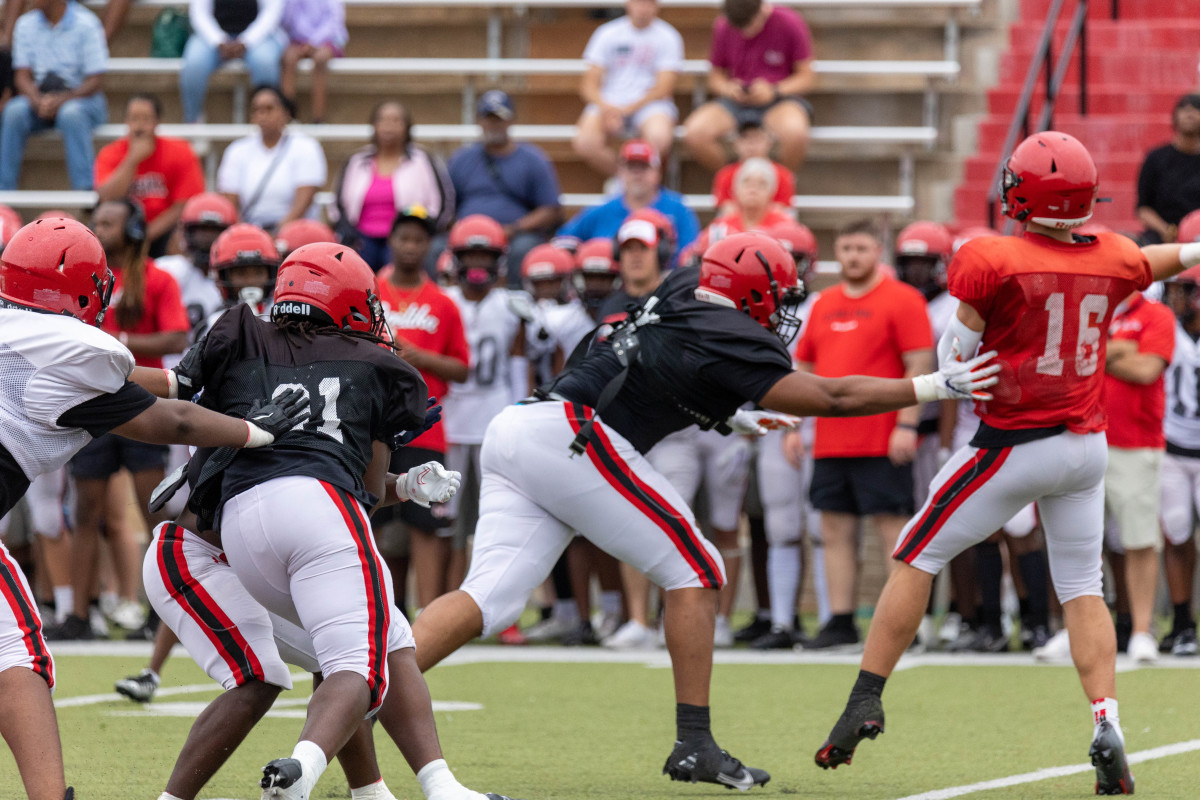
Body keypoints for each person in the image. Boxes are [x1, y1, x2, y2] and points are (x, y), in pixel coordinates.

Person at [407, 229, 1000, 789]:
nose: (779, 312)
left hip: (521, 426)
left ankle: (364, 680)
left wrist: (728, 413)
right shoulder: (729, 328)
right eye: (774, 298)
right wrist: (930, 387)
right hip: (576, 438)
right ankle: (693, 742)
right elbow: (830, 395)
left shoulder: (684, 288)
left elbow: (643, 355)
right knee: (698, 568)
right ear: (750, 294)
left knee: (488, 598)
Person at [814, 131, 1200, 796]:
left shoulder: (990, 258)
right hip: (1087, 446)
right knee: (1082, 586)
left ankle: (864, 697)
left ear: (1019, 196)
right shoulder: (1111, 256)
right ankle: (1107, 719)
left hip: (1014, 444)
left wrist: (957, 370)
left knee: (915, 554)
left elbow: (953, 360)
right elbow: (1156, 259)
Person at [0, 215, 310, 800]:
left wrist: (180, 376)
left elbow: (122, 389)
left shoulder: (23, 337)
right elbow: (171, 422)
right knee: (16, 652)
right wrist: (252, 430)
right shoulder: (73, 348)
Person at [49, 199, 193, 640]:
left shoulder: (158, 277)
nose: (98, 228)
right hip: (92, 400)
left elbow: (178, 334)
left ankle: (161, 613)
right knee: (85, 510)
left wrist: (117, 340)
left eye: (108, 222)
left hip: (137, 401)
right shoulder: (84, 274)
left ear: (132, 228)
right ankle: (77, 613)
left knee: (153, 509)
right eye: (96, 221)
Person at [789, 218, 934, 650]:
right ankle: (840, 620)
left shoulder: (903, 300)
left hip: (882, 436)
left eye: (862, 248)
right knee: (833, 530)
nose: (852, 256)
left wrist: (906, 424)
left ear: (879, 251)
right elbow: (806, 368)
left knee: (894, 530)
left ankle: (906, 623)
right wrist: (796, 424)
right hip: (832, 439)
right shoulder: (824, 302)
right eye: (846, 248)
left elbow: (920, 364)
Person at [375, 205, 470, 613]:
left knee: (426, 525)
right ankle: (386, 611)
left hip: (426, 428)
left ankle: (429, 616)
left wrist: (420, 356)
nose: (410, 246)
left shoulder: (443, 303)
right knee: (377, 522)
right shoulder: (370, 290)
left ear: (429, 245)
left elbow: (463, 368)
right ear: (391, 241)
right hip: (374, 425)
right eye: (404, 238)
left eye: (419, 239)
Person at [440, 215, 527, 594]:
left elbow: (521, 366)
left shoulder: (513, 306)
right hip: (450, 417)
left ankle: (494, 606)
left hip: (495, 416)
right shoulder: (444, 302)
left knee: (497, 517)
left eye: (485, 256)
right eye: (470, 256)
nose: (477, 265)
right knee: (445, 517)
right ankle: (440, 601)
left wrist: (521, 414)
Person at [1101, 281, 1173, 664]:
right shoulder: (1086, 310)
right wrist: (1118, 352)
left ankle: (1143, 631)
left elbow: (1147, 370)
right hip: (1081, 437)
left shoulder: (1154, 314)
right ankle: (1073, 627)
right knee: (1076, 540)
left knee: (1140, 540)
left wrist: (1094, 355)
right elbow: (1060, 364)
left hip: (1135, 441)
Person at [444, 90, 562, 282]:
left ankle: (517, 305)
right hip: (466, 236)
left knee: (524, 249)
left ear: (511, 120)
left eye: (499, 119)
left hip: (515, 235)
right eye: (488, 118)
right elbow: (446, 205)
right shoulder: (461, 159)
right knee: (436, 248)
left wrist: (514, 228)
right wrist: (457, 227)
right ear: (479, 121)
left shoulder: (533, 159)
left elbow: (550, 209)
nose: (493, 125)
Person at [682, 0, 814, 171]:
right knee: (695, 133)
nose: (744, 32)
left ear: (762, 10)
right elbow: (715, 75)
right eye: (738, 27)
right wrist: (727, 88)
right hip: (736, 101)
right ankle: (732, 183)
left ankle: (778, 185)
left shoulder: (789, 21)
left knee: (796, 133)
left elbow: (807, 77)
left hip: (780, 100)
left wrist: (774, 90)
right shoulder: (723, 25)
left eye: (749, 24)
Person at [333, 101, 455, 271]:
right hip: (360, 239)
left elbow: (443, 201)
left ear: (407, 127)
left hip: (408, 239)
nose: (388, 126)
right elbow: (339, 202)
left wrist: (427, 231)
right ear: (373, 125)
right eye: (383, 120)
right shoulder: (356, 161)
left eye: (396, 120)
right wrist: (347, 232)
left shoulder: (423, 160)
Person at [0, 0, 108, 191]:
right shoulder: (25, 24)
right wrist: (38, 100)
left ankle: (85, 193)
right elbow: (22, 76)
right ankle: (3, 191)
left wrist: (63, 100)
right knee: (14, 111)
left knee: (71, 114)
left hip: (82, 99)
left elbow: (96, 80)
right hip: (41, 99)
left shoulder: (87, 23)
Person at [572, 0, 683, 177]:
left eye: (649, 3)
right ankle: (626, 181)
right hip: (610, 101)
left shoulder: (668, 36)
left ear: (657, 5)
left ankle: (639, 185)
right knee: (585, 141)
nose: (643, 8)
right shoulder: (607, 33)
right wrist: (608, 108)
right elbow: (588, 84)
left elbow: (664, 87)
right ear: (628, 3)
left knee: (659, 137)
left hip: (650, 103)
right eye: (639, 2)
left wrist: (626, 110)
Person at [1156, 211, 1200, 657]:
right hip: (1171, 444)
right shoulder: (1162, 320)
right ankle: (1183, 621)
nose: (1184, 298)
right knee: (1176, 533)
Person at [95, 94, 206, 258]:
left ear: (157, 122)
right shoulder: (110, 153)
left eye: (146, 119)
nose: (139, 126)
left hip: (164, 230)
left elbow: (184, 205)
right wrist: (132, 160)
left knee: (181, 237)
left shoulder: (181, 152)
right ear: (126, 121)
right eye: (134, 119)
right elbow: (106, 198)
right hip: (121, 232)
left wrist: (146, 235)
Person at [558, 140, 700, 267]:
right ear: (620, 171)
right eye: (631, 167)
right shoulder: (601, 211)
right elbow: (563, 243)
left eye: (643, 167)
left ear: (658, 172)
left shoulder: (678, 210)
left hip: (663, 287)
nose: (637, 174)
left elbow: (689, 257)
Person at [218, 85, 326, 231]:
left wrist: (276, 234)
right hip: (249, 232)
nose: (262, 115)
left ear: (286, 113)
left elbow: (304, 202)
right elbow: (230, 203)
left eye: (269, 109)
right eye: (257, 110)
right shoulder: (237, 150)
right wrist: (246, 234)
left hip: (295, 233)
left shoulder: (306, 147)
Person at [180, 0, 285, 123]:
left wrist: (246, 41)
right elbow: (199, 13)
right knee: (194, 64)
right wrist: (218, 41)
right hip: (211, 37)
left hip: (258, 37)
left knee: (264, 63)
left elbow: (271, 13)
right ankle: (193, 119)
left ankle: (268, 120)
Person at [155, 192, 239, 333]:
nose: (208, 240)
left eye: (215, 232)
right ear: (184, 232)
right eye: (202, 232)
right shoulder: (167, 269)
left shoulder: (239, 277)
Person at [1136, 93, 1200, 245]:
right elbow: (1143, 209)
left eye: (1196, 108)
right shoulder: (1155, 158)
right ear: (1175, 117)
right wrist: (1166, 230)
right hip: (1162, 237)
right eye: (1184, 108)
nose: (1189, 113)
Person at [280, 0, 346, 123]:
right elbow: (287, 21)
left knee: (320, 59)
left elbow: (334, 22)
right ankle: (288, 116)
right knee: (288, 58)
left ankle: (318, 118)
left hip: (327, 40)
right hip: (299, 40)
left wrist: (314, 42)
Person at [711, 120, 793, 216]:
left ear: (769, 142)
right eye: (745, 138)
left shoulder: (783, 174)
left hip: (772, 227)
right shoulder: (725, 174)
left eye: (757, 138)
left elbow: (781, 210)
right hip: (737, 227)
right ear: (736, 143)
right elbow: (726, 211)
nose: (751, 144)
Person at [700, 157, 794, 241]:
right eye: (746, 182)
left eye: (761, 184)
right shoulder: (722, 226)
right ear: (736, 190)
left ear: (771, 192)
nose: (753, 188)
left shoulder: (784, 226)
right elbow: (697, 251)